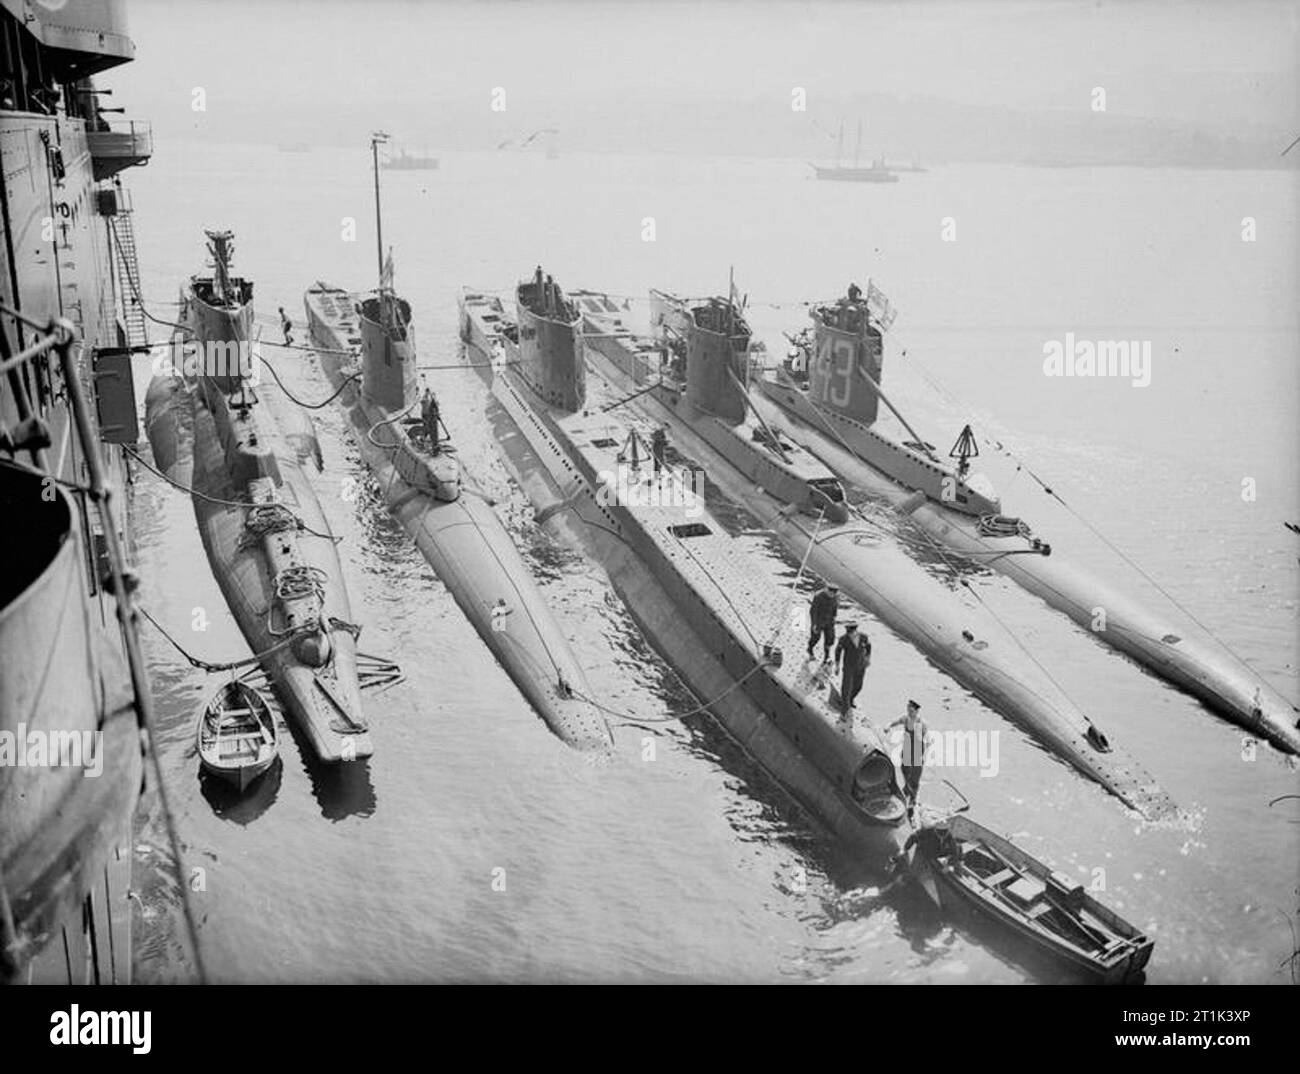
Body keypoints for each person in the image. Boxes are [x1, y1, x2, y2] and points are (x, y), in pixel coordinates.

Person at [885, 700, 928, 812]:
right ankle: (906, 789)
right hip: (907, 747)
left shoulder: (921, 723)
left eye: (911, 710)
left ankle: (913, 798)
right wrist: (888, 725)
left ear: (916, 711)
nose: (909, 711)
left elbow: (922, 738)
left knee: (915, 774)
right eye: (908, 709)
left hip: (917, 749)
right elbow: (897, 721)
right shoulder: (906, 718)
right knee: (905, 770)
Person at [833, 622, 871, 715]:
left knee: (858, 686)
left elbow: (868, 647)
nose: (850, 633)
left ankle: (850, 699)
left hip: (861, 666)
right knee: (846, 688)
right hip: (848, 667)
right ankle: (844, 710)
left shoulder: (863, 637)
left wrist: (867, 658)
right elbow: (838, 651)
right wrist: (837, 665)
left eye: (851, 631)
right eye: (849, 632)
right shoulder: (843, 639)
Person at [807, 583, 839, 661]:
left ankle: (827, 656)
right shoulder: (818, 596)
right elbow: (813, 611)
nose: (832, 595)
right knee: (815, 638)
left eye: (834, 594)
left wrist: (834, 617)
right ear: (827, 590)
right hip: (819, 621)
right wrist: (814, 623)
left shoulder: (835, 597)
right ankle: (810, 649)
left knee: (830, 639)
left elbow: (835, 607)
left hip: (829, 621)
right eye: (830, 593)